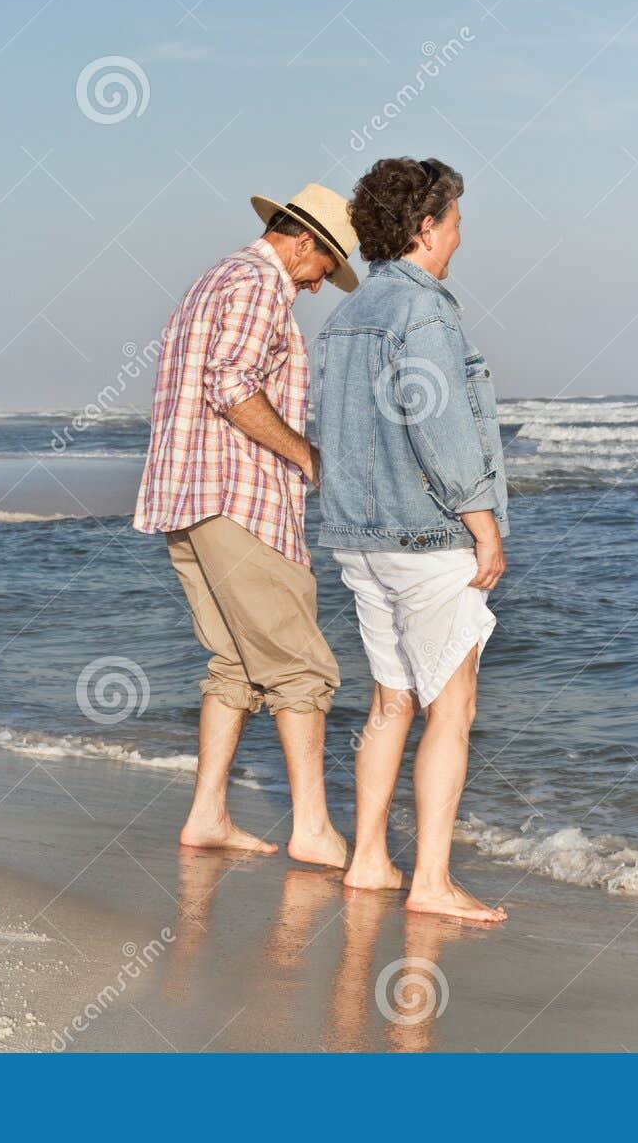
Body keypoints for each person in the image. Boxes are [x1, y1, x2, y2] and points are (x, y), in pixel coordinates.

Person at [134, 182, 360, 868]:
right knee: (300, 666)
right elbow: (232, 385)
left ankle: (207, 815)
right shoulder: (261, 285)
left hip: (185, 498)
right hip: (239, 499)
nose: (318, 286)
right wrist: (307, 455)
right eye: (324, 268)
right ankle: (312, 827)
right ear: (303, 241)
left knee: (233, 662)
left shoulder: (212, 280)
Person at [310, 157, 509, 921]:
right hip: (425, 535)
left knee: (391, 700)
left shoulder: (342, 319)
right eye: (454, 221)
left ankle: (368, 859)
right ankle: (430, 880)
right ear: (425, 227)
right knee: (451, 705)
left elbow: (332, 431)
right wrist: (482, 523)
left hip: (358, 537)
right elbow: (441, 425)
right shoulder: (423, 313)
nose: (460, 236)